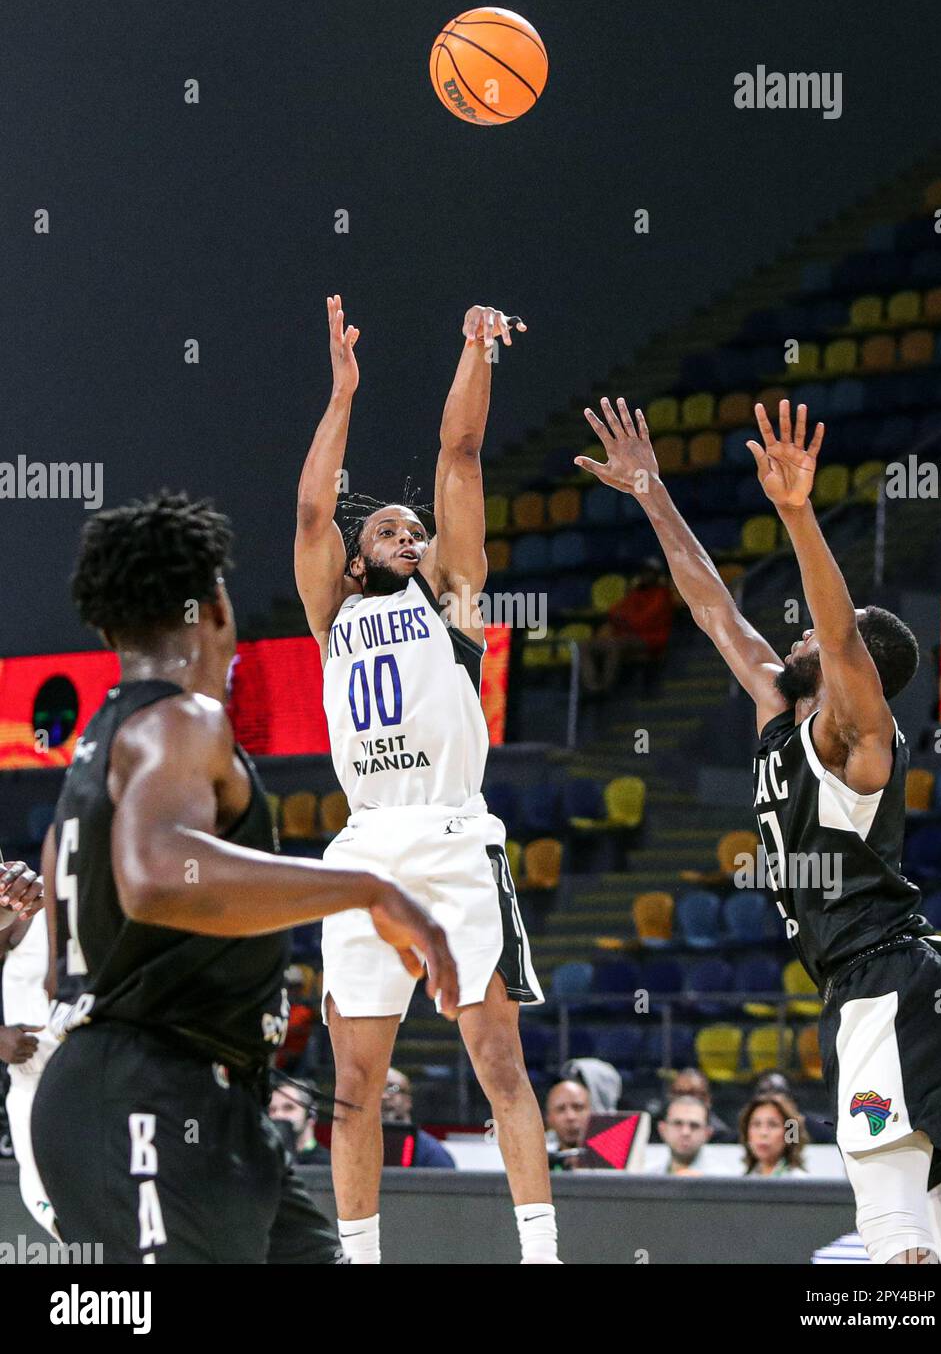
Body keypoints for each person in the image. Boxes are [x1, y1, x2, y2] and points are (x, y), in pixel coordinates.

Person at [577, 393, 941, 1264]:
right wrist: (651, 492)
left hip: (887, 991)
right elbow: (713, 608)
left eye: (821, 644)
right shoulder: (782, 711)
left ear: (856, 674)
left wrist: (797, 514)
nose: (794, 637)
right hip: (908, 996)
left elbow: (838, 638)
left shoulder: (859, 738)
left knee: (890, 1220)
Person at [31, 492, 458, 1265]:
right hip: (150, 1100)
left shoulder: (94, 754)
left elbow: (72, 955)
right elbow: (158, 876)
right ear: (217, 607)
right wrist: (369, 888)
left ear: (104, 625)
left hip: (191, 1100)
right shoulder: (182, 722)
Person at [294, 296, 556, 1264]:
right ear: (361, 551)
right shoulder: (331, 611)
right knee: (354, 1081)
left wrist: (472, 346)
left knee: (497, 1058)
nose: (410, 535)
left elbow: (460, 455)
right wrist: (343, 390)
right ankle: (358, 1258)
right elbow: (314, 507)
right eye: (392, 529)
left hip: (448, 833)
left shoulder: (450, 597)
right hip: (365, 843)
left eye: (417, 530)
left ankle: (540, 1252)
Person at [0, 862, 53, 1233]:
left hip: (117, 1078)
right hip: (37, 1083)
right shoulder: (27, 901)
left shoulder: (144, 902)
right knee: (64, 1219)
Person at [579, 557, 673, 696]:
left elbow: (641, 622)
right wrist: (623, 619)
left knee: (613, 645)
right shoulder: (635, 593)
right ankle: (592, 687)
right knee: (584, 646)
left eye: (650, 572)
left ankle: (605, 688)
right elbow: (613, 612)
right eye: (644, 572)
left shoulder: (662, 595)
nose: (646, 575)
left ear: (657, 575)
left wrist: (624, 620)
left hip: (650, 640)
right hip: (626, 637)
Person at [381, 1069, 455, 1169]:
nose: (383, 1096)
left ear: (408, 1100)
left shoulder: (432, 1153)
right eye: (377, 1089)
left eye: (392, 1088)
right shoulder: (358, 1145)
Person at [738, 1091, 807, 1176]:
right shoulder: (743, 1182)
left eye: (773, 1125)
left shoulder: (800, 1182)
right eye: (756, 1124)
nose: (763, 1133)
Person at [269, 1079, 331, 1165]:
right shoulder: (262, 1163)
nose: (278, 1115)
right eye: (272, 1110)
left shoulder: (328, 1164)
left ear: (311, 1115)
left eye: (288, 1108)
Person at [658, 1094, 712, 1176]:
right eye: (678, 1123)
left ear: (707, 1133)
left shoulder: (726, 1181)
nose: (685, 1132)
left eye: (694, 1125)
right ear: (662, 1129)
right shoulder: (644, 1178)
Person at [544, 1079, 592, 1171]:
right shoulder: (537, 1164)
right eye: (561, 1109)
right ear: (548, 1119)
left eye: (578, 1107)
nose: (570, 1117)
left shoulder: (615, 1160)